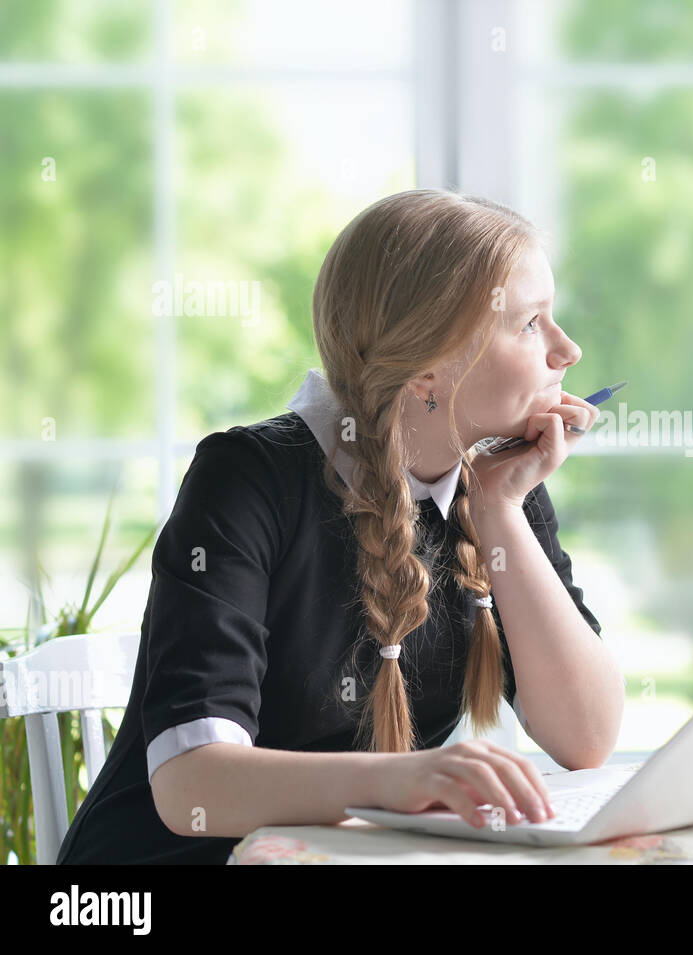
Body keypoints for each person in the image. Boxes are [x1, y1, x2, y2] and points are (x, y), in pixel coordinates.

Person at [57, 188, 624, 864]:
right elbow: (189, 785)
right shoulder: (245, 479)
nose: (569, 348)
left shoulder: (499, 484)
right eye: (531, 323)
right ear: (428, 371)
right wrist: (402, 783)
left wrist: (502, 510)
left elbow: (584, 737)